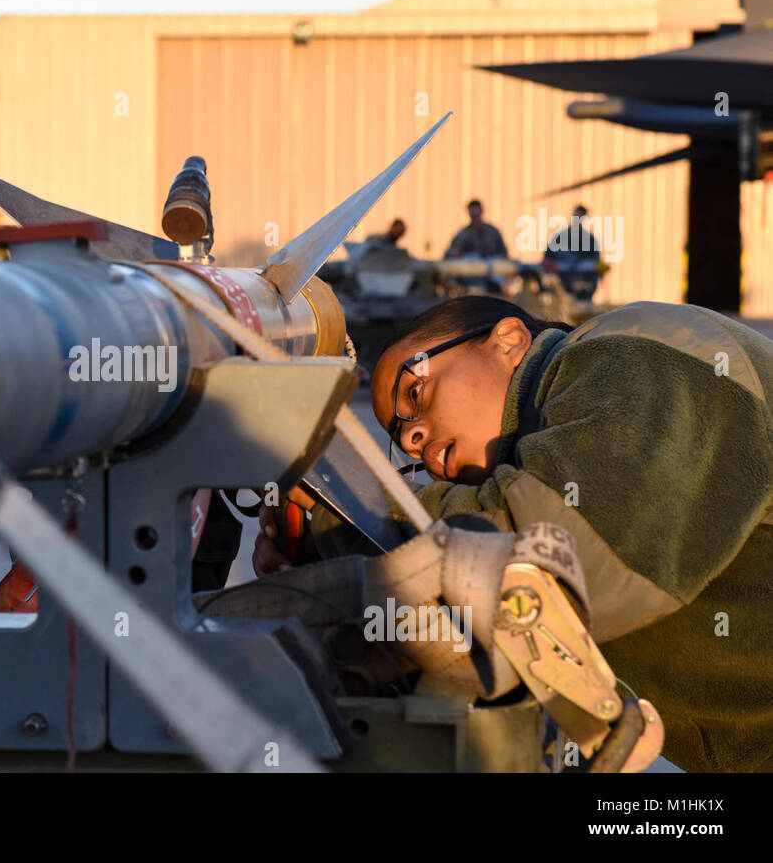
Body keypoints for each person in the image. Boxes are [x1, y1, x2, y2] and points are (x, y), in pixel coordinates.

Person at [254, 295, 773, 772]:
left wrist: (342, 508)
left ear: (508, 340)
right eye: (399, 439)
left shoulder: (639, 354)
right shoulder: (550, 435)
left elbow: (550, 562)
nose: (411, 437)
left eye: (416, 390)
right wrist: (323, 562)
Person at [543, 204, 602, 299]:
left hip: (584, 283)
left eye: (580, 216)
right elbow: (546, 260)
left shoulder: (590, 240)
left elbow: (596, 263)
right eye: (576, 215)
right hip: (561, 284)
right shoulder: (559, 237)